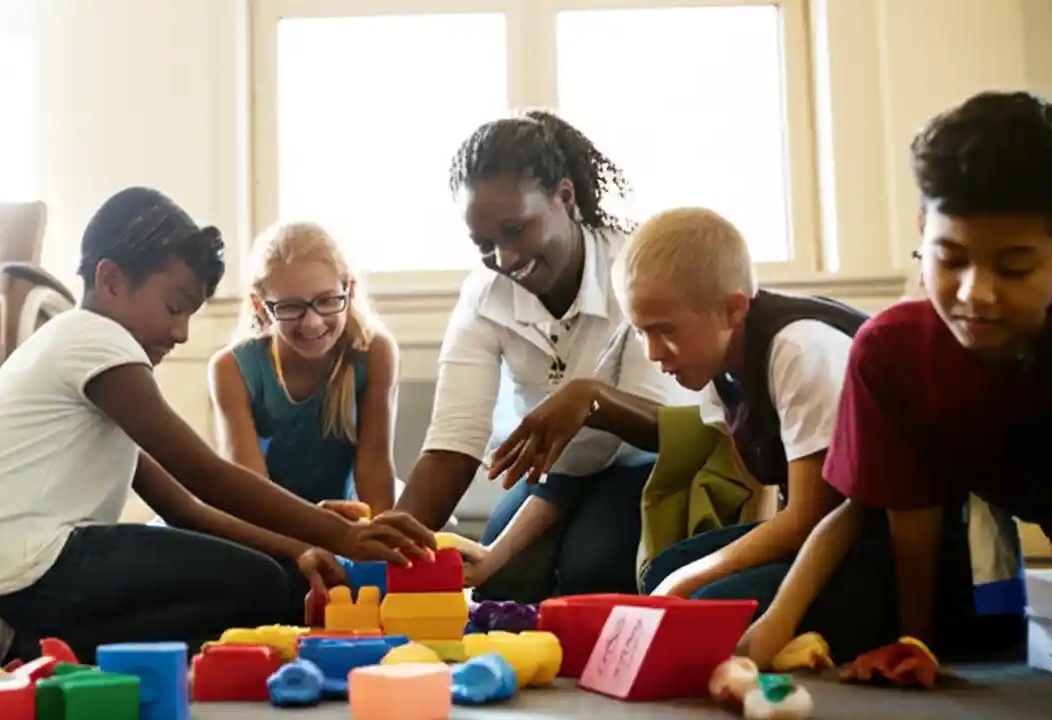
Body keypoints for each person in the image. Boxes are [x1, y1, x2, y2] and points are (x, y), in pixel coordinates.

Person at [0, 187, 434, 663]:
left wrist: (303, 546)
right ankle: (19, 640)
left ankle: (24, 640)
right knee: (265, 587)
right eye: (174, 308)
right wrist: (340, 537)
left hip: (15, 573)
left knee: (278, 578)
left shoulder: (80, 355)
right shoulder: (95, 343)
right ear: (111, 281)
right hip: (30, 568)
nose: (181, 332)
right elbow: (204, 474)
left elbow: (182, 506)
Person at [741, 90, 1052, 666]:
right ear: (921, 231)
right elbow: (898, 509)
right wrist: (916, 643)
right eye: (951, 259)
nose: (975, 295)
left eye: (1013, 268)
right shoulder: (895, 352)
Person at [487, 207, 865, 609]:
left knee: (703, 597)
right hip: (819, 530)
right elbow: (761, 495)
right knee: (668, 567)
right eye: (640, 331)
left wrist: (694, 578)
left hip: (868, 537)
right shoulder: (723, 364)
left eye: (664, 330)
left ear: (732, 309)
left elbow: (811, 514)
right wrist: (689, 571)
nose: (651, 353)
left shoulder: (797, 350)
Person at [393, 110, 687, 601]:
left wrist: (589, 399)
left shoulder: (634, 267)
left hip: (648, 459)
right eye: (483, 244)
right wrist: (387, 550)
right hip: (560, 474)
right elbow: (451, 445)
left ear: (565, 198)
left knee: (591, 571)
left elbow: (661, 427)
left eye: (517, 230)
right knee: (504, 585)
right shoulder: (483, 297)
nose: (504, 260)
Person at [210, 221, 397, 515]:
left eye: (326, 300)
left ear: (349, 292)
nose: (312, 322)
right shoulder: (231, 369)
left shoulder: (375, 353)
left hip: (343, 518)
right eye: (290, 307)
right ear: (261, 307)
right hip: (265, 522)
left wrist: (374, 534)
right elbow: (249, 493)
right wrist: (312, 531)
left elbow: (374, 470)